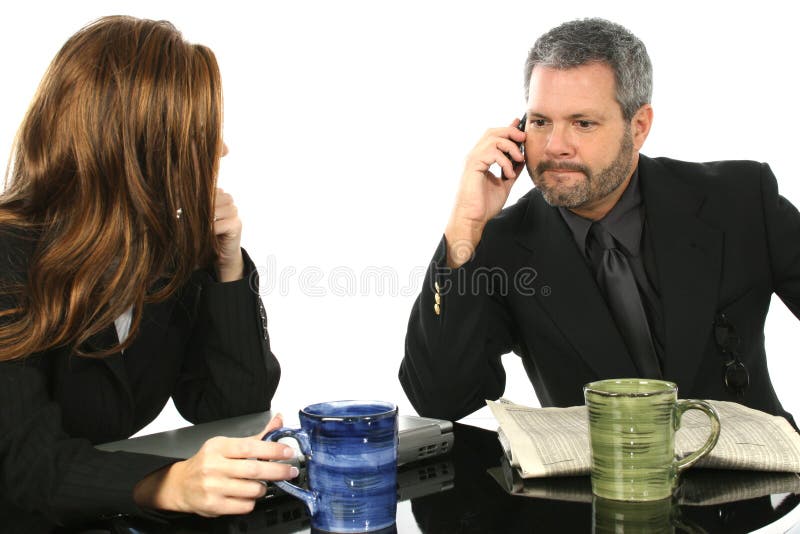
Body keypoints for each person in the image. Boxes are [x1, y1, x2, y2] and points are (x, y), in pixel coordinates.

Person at [400, 18, 799, 427]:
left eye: (582, 123)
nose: (555, 146)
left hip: (751, 481)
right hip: (601, 485)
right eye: (540, 122)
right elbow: (441, 399)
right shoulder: (501, 243)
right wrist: (464, 229)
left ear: (638, 126)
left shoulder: (739, 200)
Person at [0, 16, 294, 523]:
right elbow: (26, 465)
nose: (220, 150)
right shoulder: (9, 254)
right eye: (200, 135)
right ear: (135, 148)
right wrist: (167, 484)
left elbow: (231, 409)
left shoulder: (163, 255)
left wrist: (227, 266)